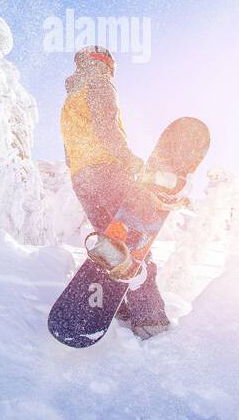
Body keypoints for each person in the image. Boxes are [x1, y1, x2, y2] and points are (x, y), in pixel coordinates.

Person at [60, 45, 171, 339]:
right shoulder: (99, 82)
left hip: (81, 178)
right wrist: (128, 160)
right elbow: (107, 127)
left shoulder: (70, 98)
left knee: (113, 245)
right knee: (134, 242)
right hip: (107, 170)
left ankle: (123, 304)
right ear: (105, 63)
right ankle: (150, 319)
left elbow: (70, 154)